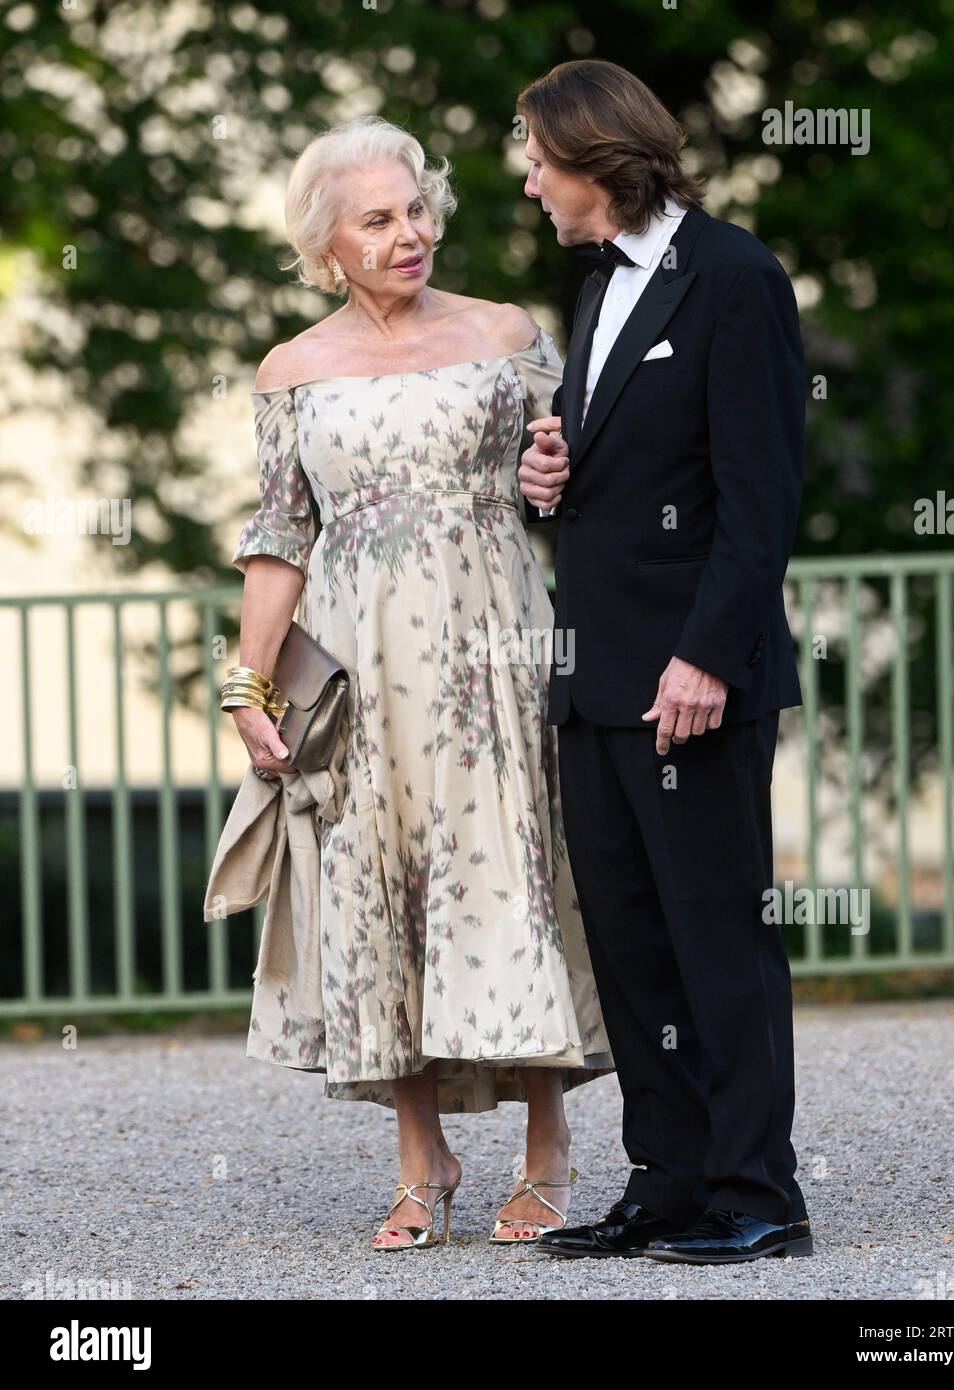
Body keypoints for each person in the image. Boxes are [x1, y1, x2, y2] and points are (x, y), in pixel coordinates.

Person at [221, 114, 614, 1251]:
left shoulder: (504, 332)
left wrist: (553, 469)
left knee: (514, 869)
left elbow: (573, 469)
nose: (411, 233)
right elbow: (277, 537)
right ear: (327, 243)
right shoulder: (293, 369)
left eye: (419, 209)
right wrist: (249, 694)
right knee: (375, 881)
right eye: (379, 219)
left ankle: (547, 1150)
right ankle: (420, 1156)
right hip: (358, 663)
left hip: (497, 642)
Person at [516, 60, 813, 1264]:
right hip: (596, 682)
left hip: (693, 685)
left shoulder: (734, 277)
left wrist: (707, 659)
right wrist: (552, 481)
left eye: (539, 160)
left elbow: (760, 496)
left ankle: (759, 1191)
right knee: (635, 945)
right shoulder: (601, 292)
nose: (530, 184)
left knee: (716, 937)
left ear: (597, 158)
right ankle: (672, 1178)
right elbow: (634, 480)